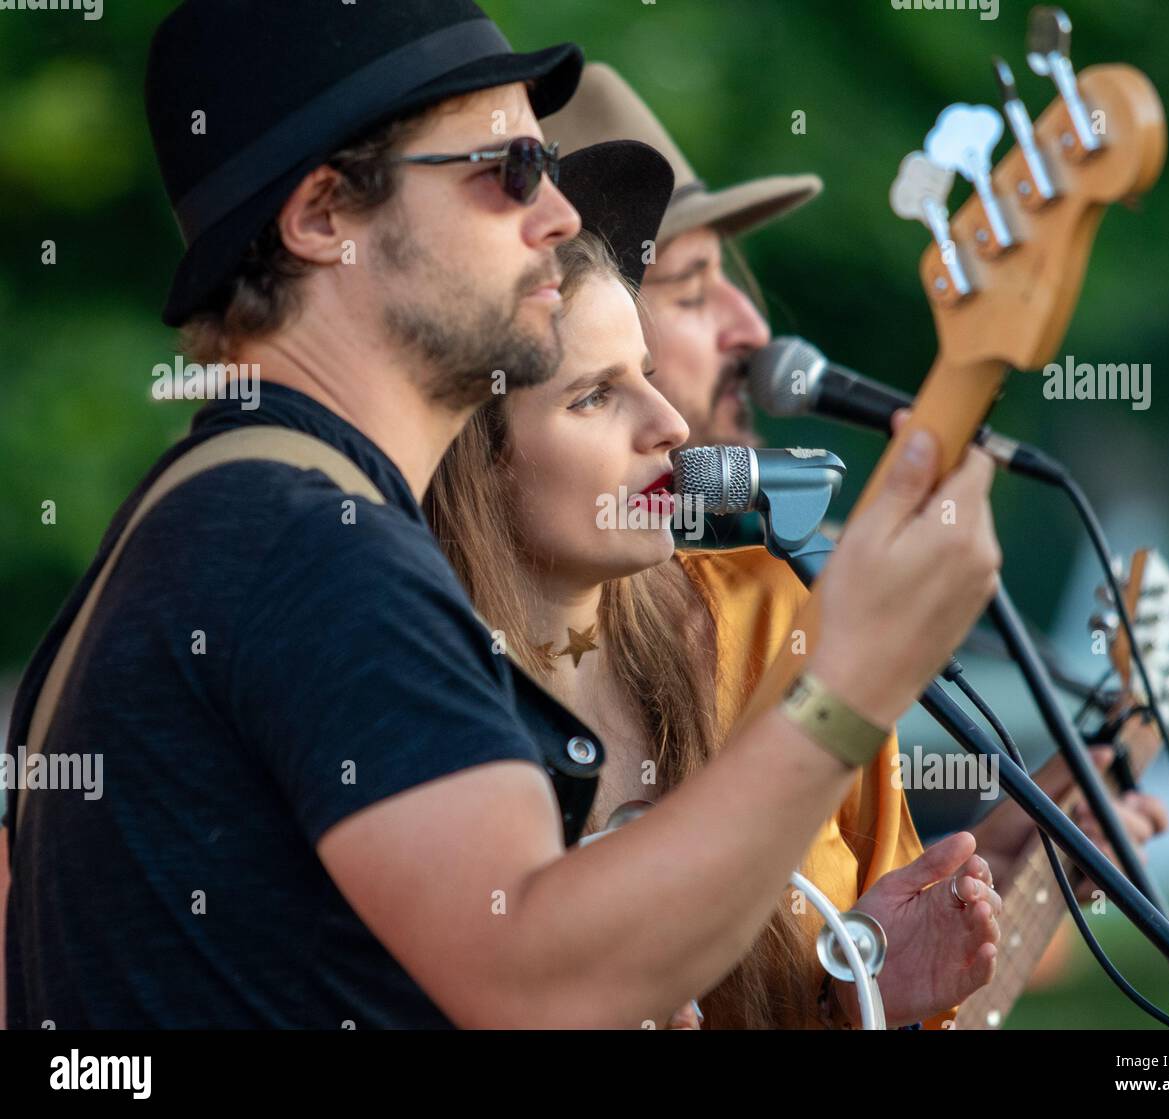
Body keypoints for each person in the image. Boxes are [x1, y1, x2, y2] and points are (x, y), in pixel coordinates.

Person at [0, 0, 1003, 1029]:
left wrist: (842, 994)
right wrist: (846, 677)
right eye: (508, 170)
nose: (559, 214)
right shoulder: (308, 549)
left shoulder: (248, 517)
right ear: (322, 219)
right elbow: (542, 980)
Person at [544, 61, 1169, 916]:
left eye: (733, 275)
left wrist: (981, 873)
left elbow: (824, 967)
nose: (754, 328)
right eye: (690, 290)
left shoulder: (770, 598)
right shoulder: (451, 661)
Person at [427, 226, 1002, 1028]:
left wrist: (851, 996)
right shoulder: (414, 710)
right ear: (471, 454)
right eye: (594, 395)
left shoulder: (763, 621)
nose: (668, 422)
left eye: (650, 376)